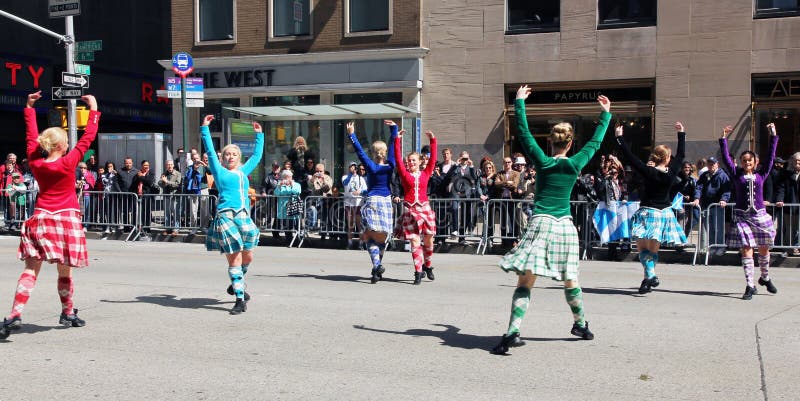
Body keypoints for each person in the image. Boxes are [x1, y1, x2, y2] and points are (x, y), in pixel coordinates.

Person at [491, 86, 611, 355]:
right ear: (570, 143)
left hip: (541, 222)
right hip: (565, 226)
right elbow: (595, 143)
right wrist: (606, 115)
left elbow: (523, 133)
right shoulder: (575, 163)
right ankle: (580, 324)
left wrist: (519, 102)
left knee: (525, 282)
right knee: (571, 279)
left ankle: (512, 330)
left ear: (552, 142)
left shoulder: (543, 162)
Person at [0, 91, 99, 340]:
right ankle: (67, 311)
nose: (68, 144)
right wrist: (94, 110)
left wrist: (29, 106)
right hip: (66, 219)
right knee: (65, 272)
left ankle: (15, 313)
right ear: (60, 145)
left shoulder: (36, 164)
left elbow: (31, 138)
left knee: (31, 269)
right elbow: (88, 137)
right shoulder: (68, 162)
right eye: (65, 141)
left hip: (42, 217)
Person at [200, 115, 264, 315]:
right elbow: (210, 151)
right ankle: (239, 298)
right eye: (227, 154)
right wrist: (205, 129)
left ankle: (237, 282)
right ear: (223, 157)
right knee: (235, 259)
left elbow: (257, 156)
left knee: (249, 256)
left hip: (244, 216)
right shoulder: (219, 171)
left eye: (234, 154)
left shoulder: (244, 171)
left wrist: (259, 135)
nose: (230, 156)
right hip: (226, 216)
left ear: (238, 157)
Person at [614, 121, 687, 294]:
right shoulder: (671, 173)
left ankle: (651, 275)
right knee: (652, 249)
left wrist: (619, 138)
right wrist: (681, 134)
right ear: (667, 158)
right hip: (664, 214)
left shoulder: (649, 171)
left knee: (642, 248)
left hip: (648, 212)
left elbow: (630, 156)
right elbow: (681, 154)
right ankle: (647, 279)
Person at [720, 123, 779, 300]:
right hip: (742, 217)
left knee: (763, 249)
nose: (747, 163)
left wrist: (773, 135)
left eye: (750, 160)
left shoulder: (762, 174)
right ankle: (750, 285)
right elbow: (726, 159)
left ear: (755, 162)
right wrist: (724, 139)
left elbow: (770, 157)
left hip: (759, 216)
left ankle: (765, 277)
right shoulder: (736, 174)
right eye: (744, 160)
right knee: (746, 249)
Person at [347, 120, 397, 283]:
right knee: (381, 238)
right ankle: (377, 268)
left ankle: (376, 265)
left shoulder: (371, 166)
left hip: (374, 200)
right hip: (386, 202)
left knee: (369, 236)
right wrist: (394, 129)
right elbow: (393, 149)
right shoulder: (390, 165)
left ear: (374, 153)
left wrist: (352, 135)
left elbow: (359, 151)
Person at [394, 128, 438, 285]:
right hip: (411, 210)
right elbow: (398, 160)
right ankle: (418, 271)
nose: (410, 162)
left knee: (429, 240)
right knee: (414, 241)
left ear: (420, 161)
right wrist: (396, 140)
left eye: (413, 160)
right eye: (409, 160)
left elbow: (433, 160)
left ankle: (428, 265)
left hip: (424, 209)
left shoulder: (426, 173)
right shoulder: (405, 174)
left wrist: (432, 141)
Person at [693, 156, 731, 256]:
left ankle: (721, 247)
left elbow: (726, 189)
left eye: (713, 164)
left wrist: (724, 199)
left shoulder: (723, 175)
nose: (711, 166)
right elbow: (698, 187)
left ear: (717, 164)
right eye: (709, 164)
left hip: (717, 206)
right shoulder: (705, 175)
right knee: (709, 228)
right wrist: (697, 198)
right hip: (706, 205)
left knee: (718, 227)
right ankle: (712, 246)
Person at [342, 160, 368, 248]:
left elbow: (366, 190)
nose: (353, 168)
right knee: (350, 224)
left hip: (358, 204)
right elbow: (345, 183)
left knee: (359, 224)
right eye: (351, 167)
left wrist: (359, 191)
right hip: (348, 204)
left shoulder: (361, 178)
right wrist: (350, 174)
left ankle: (361, 243)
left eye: (354, 167)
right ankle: (349, 243)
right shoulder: (345, 177)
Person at [274, 169, 302, 241]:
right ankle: (289, 240)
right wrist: (280, 186)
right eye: (285, 177)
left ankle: (298, 239)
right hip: (283, 209)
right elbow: (276, 193)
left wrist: (292, 185)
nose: (287, 179)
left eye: (289, 177)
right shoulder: (280, 185)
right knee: (287, 226)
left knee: (296, 225)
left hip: (293, 208)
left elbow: (297, 192)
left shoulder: (296, 184)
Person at [159, 159, 183, 235]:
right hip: (166, 195)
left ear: (173, 165)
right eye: (168, 165)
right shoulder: (164, 174)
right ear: (166, 166)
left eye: (171, 164)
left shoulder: (178, 174)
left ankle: (176, 229)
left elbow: (177, 184)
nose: (169, 166)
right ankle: (167, 228)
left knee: (176, 213)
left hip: (175, 196)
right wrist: (163, 182)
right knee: (167, 213)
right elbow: (159, 183)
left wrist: (167, 182)